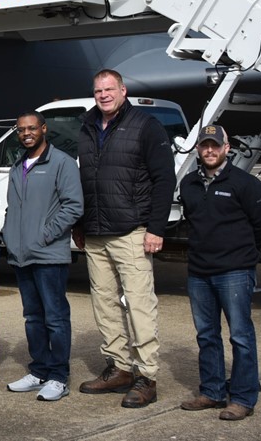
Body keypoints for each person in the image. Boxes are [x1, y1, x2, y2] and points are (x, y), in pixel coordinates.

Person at [75, 69, 174, 408]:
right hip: (96, 233)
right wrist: (79, 222)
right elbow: (84, 178)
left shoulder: (146, 126)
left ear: (122, 90)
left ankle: (147, 376)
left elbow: (165, 179)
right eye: (98, 90)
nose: (103, 95)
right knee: (104, 304)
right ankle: (119, 368)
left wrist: (156, 227)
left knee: (139, 305)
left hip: (132, 230)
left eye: (109, 89)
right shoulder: (87, 126)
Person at [177, 125, 261, 421]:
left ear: (226, 148)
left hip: (235, 271)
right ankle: (212, 391)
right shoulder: (190, 184)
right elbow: (192, 220)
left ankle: (243, 398)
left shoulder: (245, 183)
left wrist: (242, 254)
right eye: (205, 146)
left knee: (241, 336)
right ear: (198, 149)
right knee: (207, 335)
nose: (210, 150)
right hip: (199, 272)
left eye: (215, 145)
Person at [3, 112, 83, 402]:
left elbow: (73, 207)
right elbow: (13, 208)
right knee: (32, 318)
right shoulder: (17, 166)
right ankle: (39, 370)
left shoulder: (61, 162)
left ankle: (59, 377)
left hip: (48, 255)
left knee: (56, 318)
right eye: (21, 129)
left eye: (32, 128)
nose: (26, 133)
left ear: (44, 129)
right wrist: (8, 234)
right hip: (21, 255)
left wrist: (45, 235)